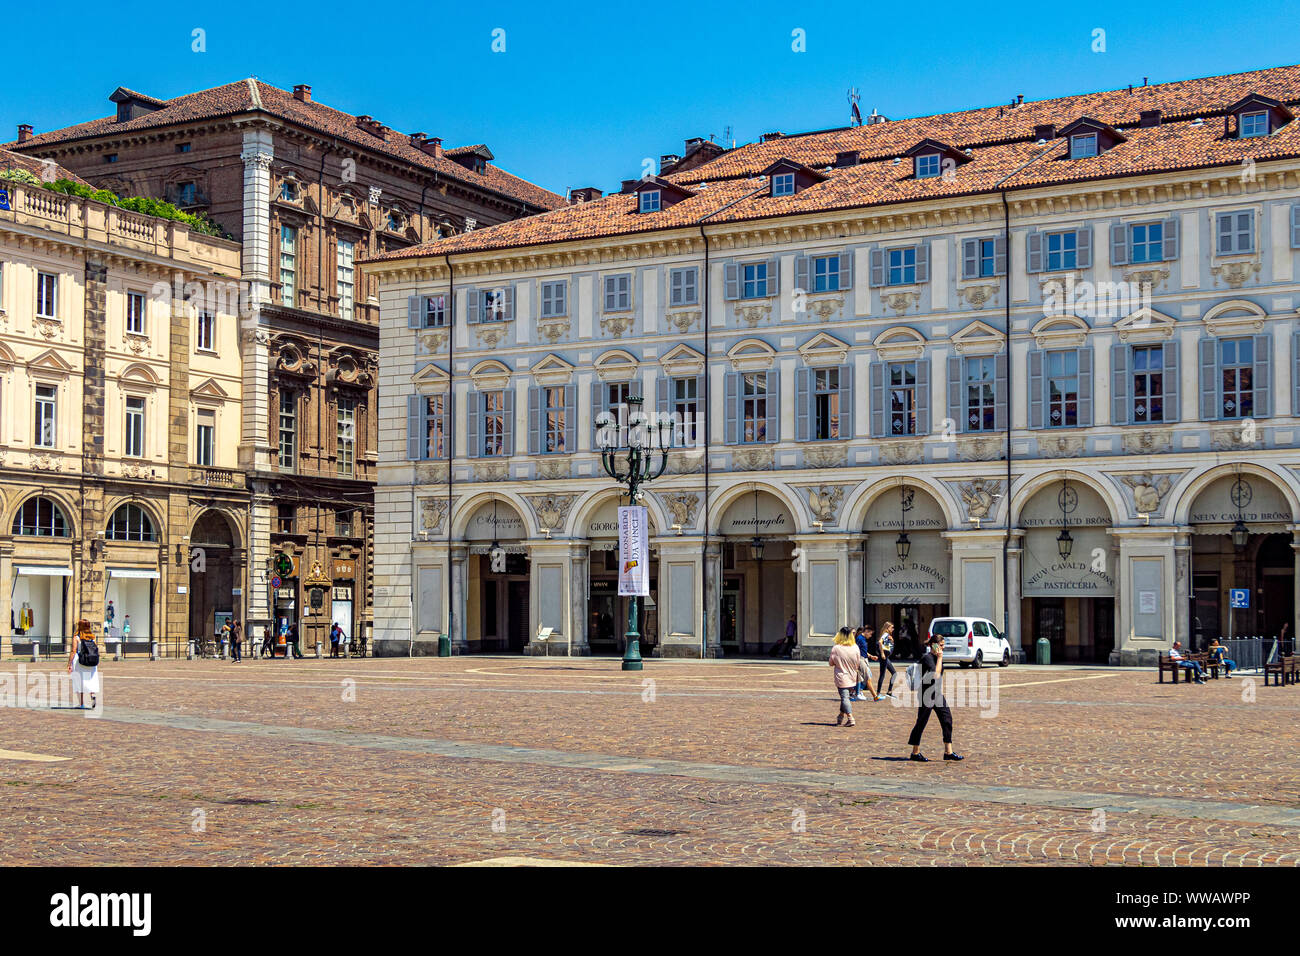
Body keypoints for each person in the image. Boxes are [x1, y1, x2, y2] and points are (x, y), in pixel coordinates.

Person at [908, 635, 962, 762]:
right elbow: (936, 675)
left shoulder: (936, 658)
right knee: (921, 722)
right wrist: (940, 657)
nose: (943, 648)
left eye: (943, 645)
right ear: (934, 645)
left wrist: (939, 658)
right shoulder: (926, 658)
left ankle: (948, 752)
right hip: (926, 694)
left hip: (936, 693)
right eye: (941, 645)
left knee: (947, 719)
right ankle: (915, 753)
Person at [829, 627, 862, 727]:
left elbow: (831, 663)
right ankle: (840, 716)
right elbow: (858, 662)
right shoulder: (855, 647)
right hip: (852, 676)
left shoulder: (836, 648)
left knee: (844, 698)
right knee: (845, 697)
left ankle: (850, 718)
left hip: (841, 676)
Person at [67, 619, 100, 710]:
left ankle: (81, 703)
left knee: (80, 681)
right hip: (91, 661)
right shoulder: (92, 638)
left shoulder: (76, 637)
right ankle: (92, 694)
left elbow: (73, 651)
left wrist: (69, 664)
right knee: (90, 679)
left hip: (80, 661)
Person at [852, 627, 879, 702]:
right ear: (866, 631)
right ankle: (875, 696)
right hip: (860, 659)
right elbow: (856, 650)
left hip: (864, 658)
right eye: (870, 634)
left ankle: (857, 692)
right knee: (867, 677)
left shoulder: (863, 639)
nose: (870, 636)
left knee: (866, 676)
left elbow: (863, 650)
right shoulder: (860, 638)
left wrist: (870, 656)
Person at [874, 623, 898, 699]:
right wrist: (882, 654)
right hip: (884, 657)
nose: (893, 629)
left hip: (886, 657)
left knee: (894, 673)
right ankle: (878, 693)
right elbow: (880, 642)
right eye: (892, 627)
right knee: (882, 674)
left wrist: (892, 641)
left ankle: (889, 692)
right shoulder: (885, 634)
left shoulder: (888, 635)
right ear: (887, 628)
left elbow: (888, 645)